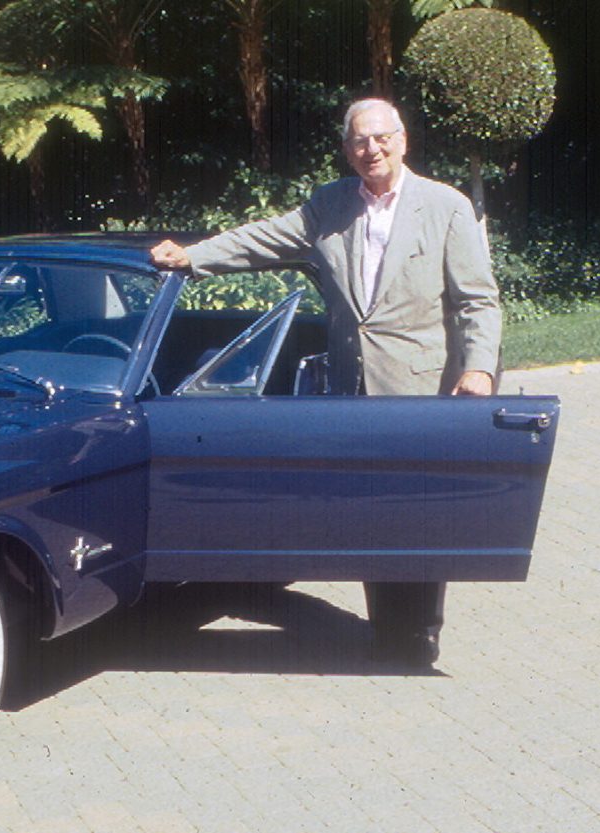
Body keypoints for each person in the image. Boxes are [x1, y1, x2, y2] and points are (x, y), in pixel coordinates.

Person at [148, 98, 501, 666]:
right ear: (347, 149)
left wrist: (478, 367)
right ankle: (387, 628)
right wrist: (192, 257)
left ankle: (418, 634)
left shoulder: (446, 207)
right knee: (369, 511)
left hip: (417, 390)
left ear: (403, 140)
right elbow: (261, 239)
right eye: (360, 141)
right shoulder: (329, 205)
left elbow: (477, 300)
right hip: (351, 389)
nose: (372, 150)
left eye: (382, 138)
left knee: (413, 513)